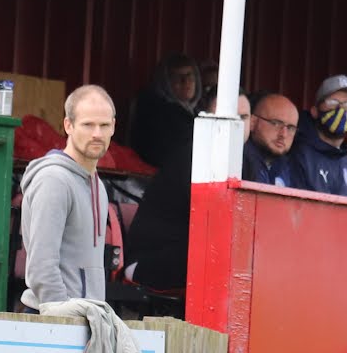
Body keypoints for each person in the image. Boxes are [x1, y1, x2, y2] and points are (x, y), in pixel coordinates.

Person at [124, 91, 248, 290]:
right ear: (205, 119)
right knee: (222, 252)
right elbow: (215, 224)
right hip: (148, 262)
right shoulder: (193, 156)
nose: (236, 125)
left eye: (243, 118)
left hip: (187, 258)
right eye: (227, 117)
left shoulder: (245, 161)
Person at [20, 86, 115, 311]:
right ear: (68, 126)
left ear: (113, 126)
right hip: (53, 319)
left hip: (84, 319)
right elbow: (42, 268)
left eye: (104, 125)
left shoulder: (97, 184)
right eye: (88, 124)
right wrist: (63, 319)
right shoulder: (54, 180)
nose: (97, 134)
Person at [129, 52, 200, 170]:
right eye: (178, 77)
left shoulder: (195, 110)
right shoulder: (157, 114)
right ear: (166, 82)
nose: (186, 82)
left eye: (189, 75)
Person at [291, 74, 347, 197]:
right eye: (332, 103)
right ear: (315, 111)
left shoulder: (344, 159)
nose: (341, 110)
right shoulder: (299, 152)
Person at [241, 93, 301, 188]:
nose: (283, 134)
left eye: (290, 128)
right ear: (252, 122)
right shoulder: (239, 161)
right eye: (275, 123)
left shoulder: (292, 167)